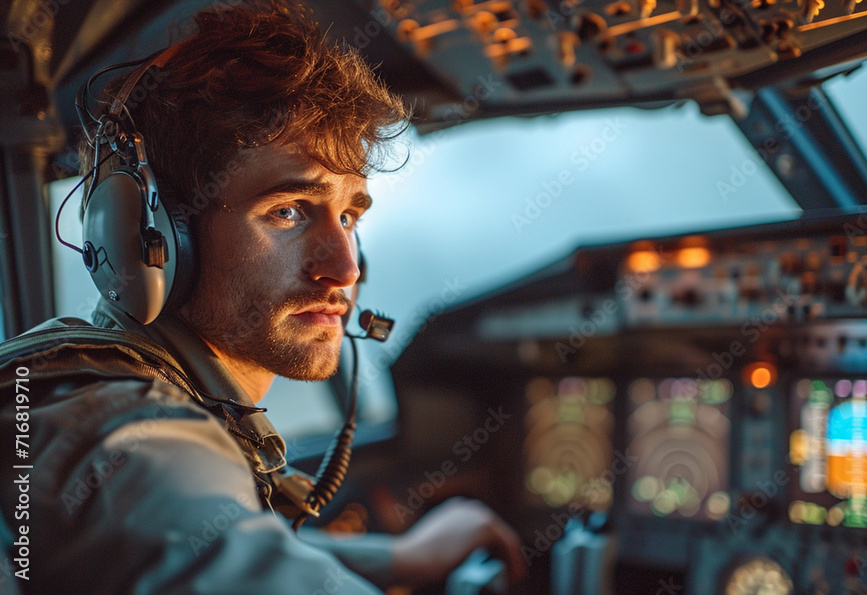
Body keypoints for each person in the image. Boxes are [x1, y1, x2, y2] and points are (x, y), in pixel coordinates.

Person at [0, 1, 525, 592]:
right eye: (288, 211)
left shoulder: (84, 389)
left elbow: (216, 544)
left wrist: (399, 559)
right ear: (150, 239)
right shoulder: (128, 441)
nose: (346, 269)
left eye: (348, 216)